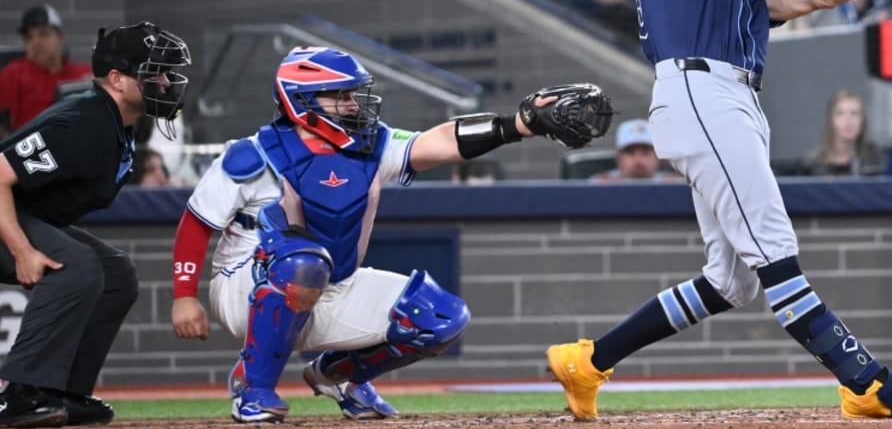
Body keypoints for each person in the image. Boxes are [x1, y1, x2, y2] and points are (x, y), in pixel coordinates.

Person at [544, 0, 892, 422]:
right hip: (699, 90)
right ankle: (867, 384)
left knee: (731, 281)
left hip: (732, 99)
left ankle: (589, 362)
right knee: (773, 248)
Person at [172, 47, 611, 422]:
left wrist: (517, 125)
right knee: (303, 262)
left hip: (334, 283)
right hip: (247, 288)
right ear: (302, 101)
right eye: (339, 95)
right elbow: (196, 223)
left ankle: (337, 375)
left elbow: (439, 143)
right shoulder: (250, 155)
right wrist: (184, 296)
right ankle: (254, 387)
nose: (352, 104)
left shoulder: (370, 145)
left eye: (352, 94)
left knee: (440, 317)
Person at [0, 22, 191, 426]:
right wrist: (22, 249)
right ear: (117, 80)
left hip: (21, 214)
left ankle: (60, 394)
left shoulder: (118, 122)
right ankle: (19, 394)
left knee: (115, 273)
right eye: (154, 72)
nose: (165, 82)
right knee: (79, 266)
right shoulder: (84, 122)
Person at [0, 5, 92, 136]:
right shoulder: (12, 75)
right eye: (29, 37)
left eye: (43, 34)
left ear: (60, 36)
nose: (35, 42)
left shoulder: (84, 75)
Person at [799, 90, 883, 177]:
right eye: (840, 113)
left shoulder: (875, 160)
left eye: (854, 113)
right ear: (831, 121)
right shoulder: (813, 164)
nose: (848, 120)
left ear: (863, 121)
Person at [590, 120, 668, 182]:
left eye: (645, 153)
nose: (638, 160)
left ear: (658, 158)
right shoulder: (598, 185)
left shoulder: (672, 185)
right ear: (618, 157)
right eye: (630, 153)